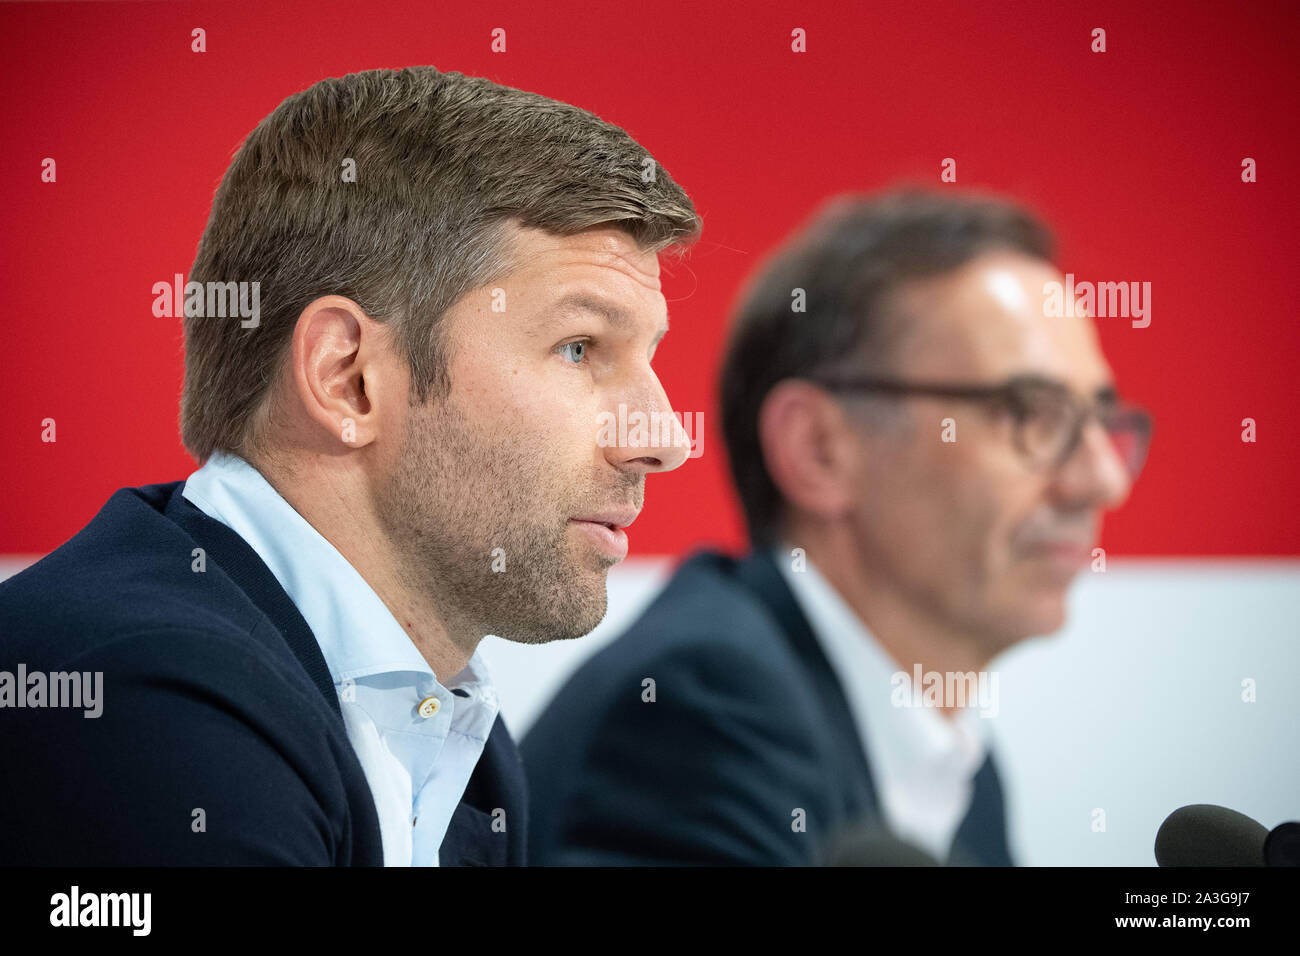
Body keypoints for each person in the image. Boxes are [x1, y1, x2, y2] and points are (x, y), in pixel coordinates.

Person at [0, 66, 698, 865]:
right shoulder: (142, 699)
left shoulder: (457, 739)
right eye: (580, 348)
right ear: (348, 379)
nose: (665, 437)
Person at [523, 188, 1151, 865]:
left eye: (1099, 422)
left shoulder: (962, 769)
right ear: (820, 448)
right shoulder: (703, 708)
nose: (1101, 481)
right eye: (1031, 413)